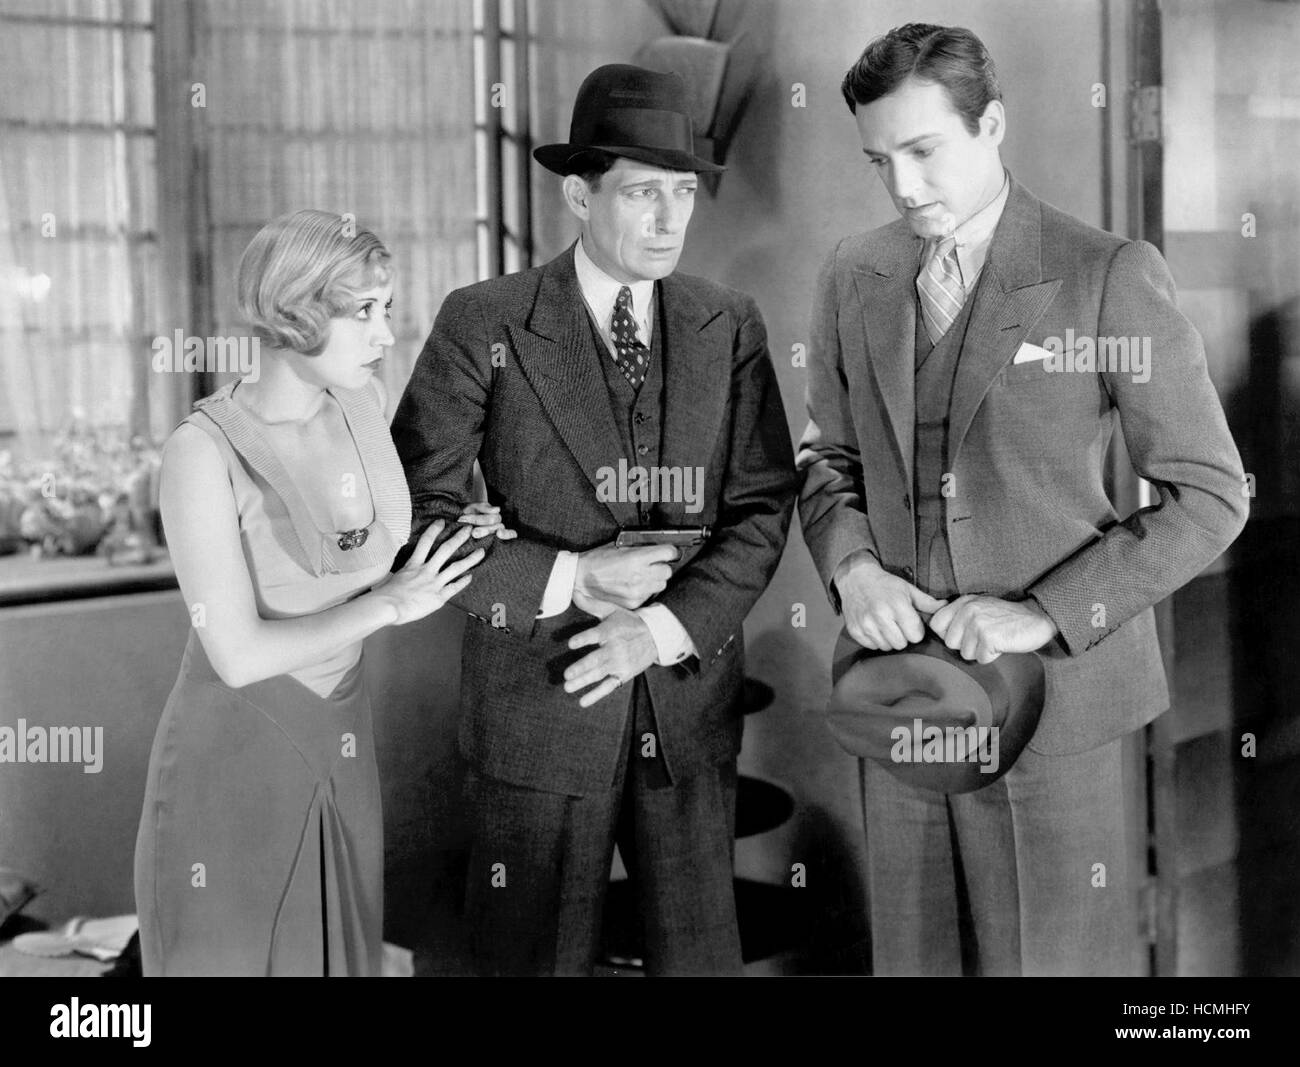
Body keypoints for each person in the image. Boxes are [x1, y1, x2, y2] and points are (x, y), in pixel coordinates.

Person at [797, 23, 1248, 975]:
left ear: (991, 124)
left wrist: (1039, 616)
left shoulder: (1106, 274)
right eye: (881, 161)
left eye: (925, 151)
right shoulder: (853, 273)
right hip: (896, 690)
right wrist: (852, 566)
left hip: (1058, 713)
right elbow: (826, 457)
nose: (904, 186)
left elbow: (1210, 495)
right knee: (912, 959)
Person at [391, 64, 798, 976]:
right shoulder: (483, 319)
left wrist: (656, 631)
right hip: (538, 711)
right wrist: (571, 579)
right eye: (641, 192)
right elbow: (415, 512)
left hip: (686, 710)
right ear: (578, 194)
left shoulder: (728, 324)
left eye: (683, 192)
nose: (669, 219)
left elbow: (765, 507)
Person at [134, 209, 504, 976]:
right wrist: (394, 603)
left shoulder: (360, 409)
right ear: (296, 312)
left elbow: (368, 557)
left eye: (388, 309)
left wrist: (460, 535)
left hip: (342, 739)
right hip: (234, 757)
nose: (385, 333)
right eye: (362, 311)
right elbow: (236, 655)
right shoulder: (198, 455)